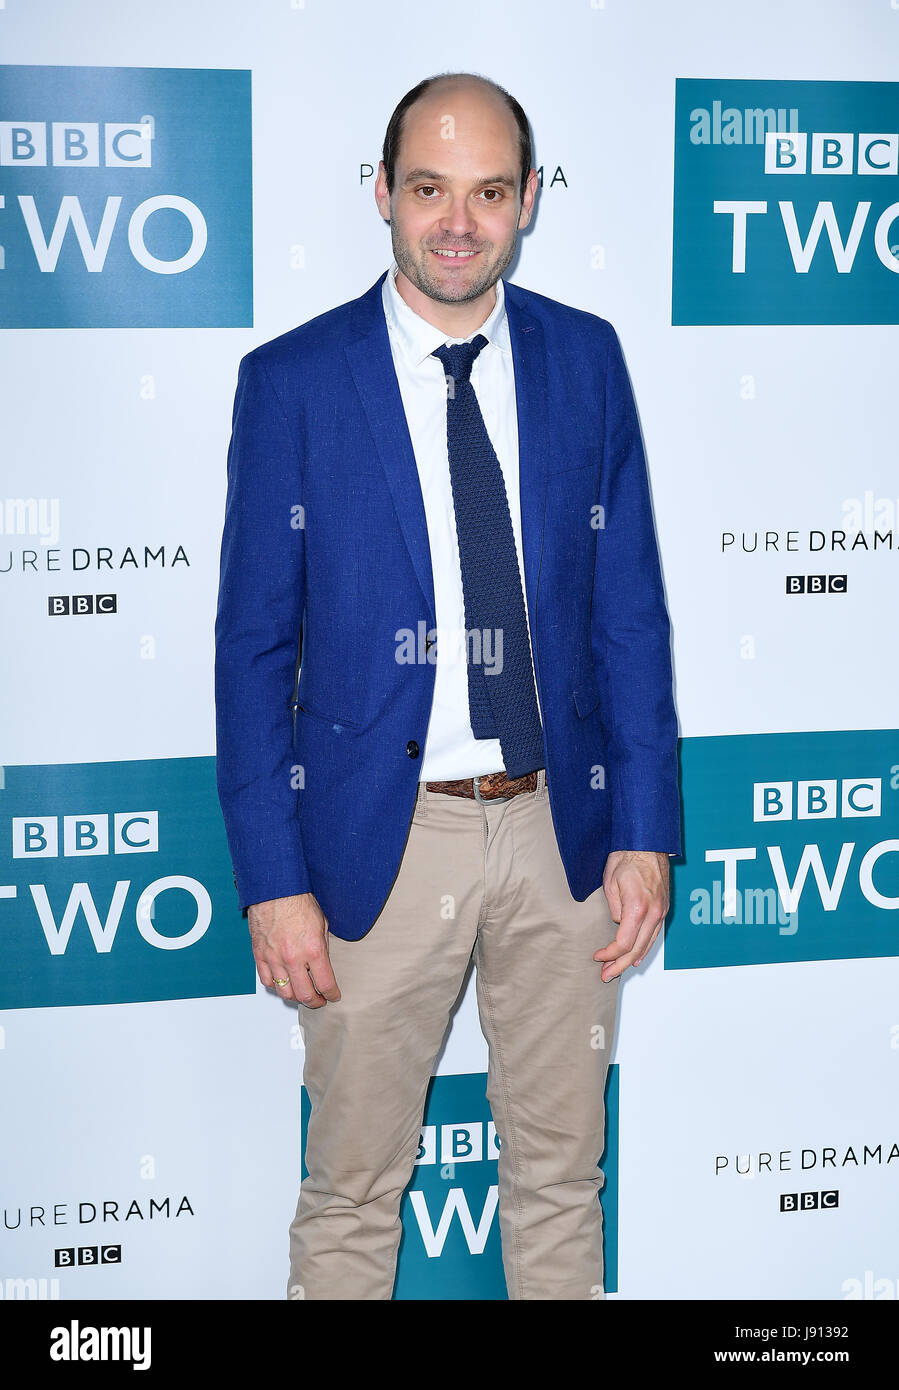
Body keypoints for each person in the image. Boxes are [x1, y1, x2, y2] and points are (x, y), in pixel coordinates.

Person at [214, 71, 681, 1301]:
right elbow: (251, 648)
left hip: (559, 833)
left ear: (528, 200)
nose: (458, 224)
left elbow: (628, 614)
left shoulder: (585, 360)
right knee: (351, 1194)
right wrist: (272, 879)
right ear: (381, 191)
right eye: (429, 189)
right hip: (376, 839)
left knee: (561, 1184)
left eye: (487, 192)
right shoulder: (293, 381)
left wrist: (642, 829)